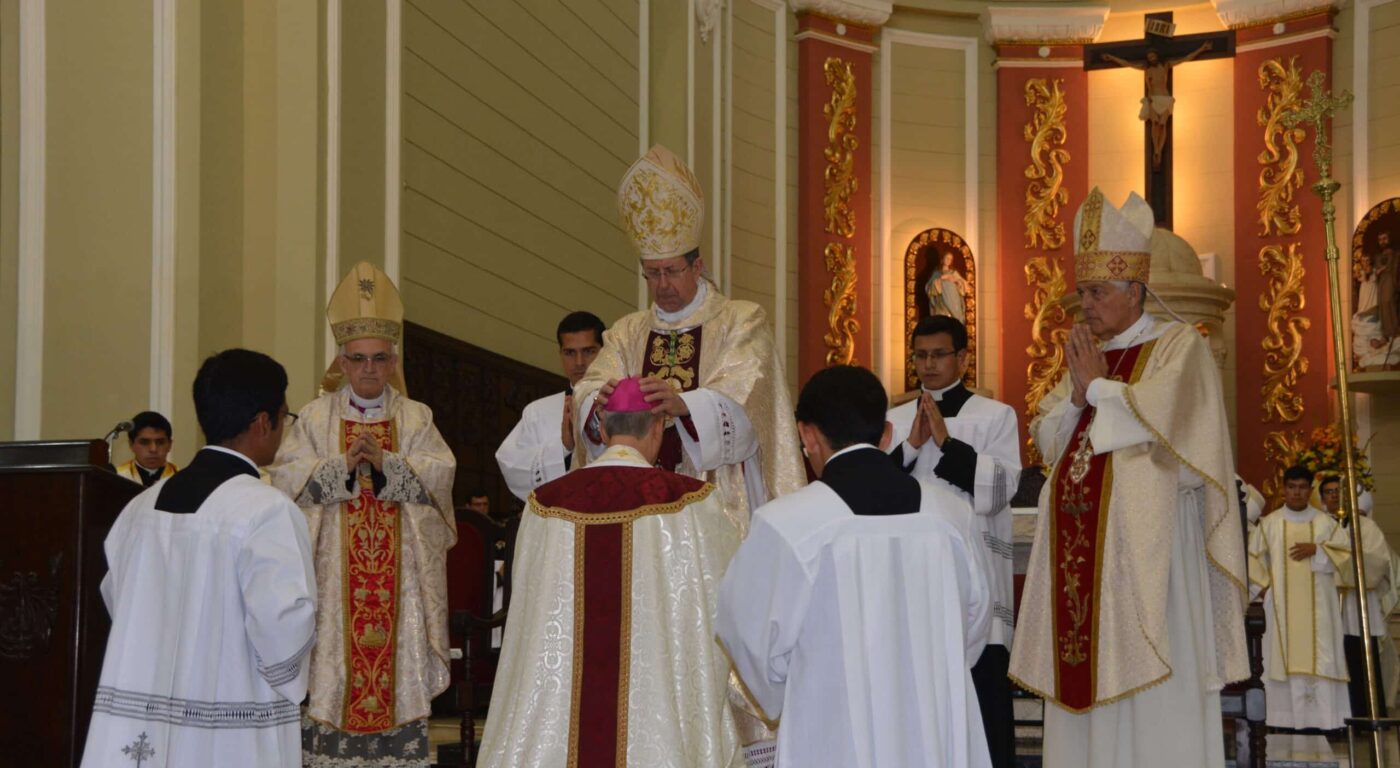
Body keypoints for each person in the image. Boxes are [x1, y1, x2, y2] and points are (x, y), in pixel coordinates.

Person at [573, 144, 805, 750]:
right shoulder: (628, 331)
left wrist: (685, 403)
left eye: (673, 271)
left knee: (716, 639)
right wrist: (603, 406)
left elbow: (751, 404)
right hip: (643, 527)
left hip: (719, 513)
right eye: (652, 274)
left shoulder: (741, 320)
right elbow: (589, 393)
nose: (663, 286)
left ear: (699, 264)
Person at [1009, 188, 1248, 768]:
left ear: (1134, 291)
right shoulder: (1088, 353)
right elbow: (1049, 439)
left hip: (1155, 562)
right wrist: (1074, 396)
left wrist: (1095, 389)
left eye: (1096, 292)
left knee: (1154, 709)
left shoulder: (1177, 348)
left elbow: (1171, 431)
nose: (1084, 305)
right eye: (1082, 292)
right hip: (1084, 560)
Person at [717, 365, 991, 768]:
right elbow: (975, 625)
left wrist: (783, 691)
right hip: (937, 727)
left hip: (833, 730)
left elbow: (748, 633)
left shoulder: (787, 522)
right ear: (885, 434)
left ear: (806, 434)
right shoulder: (950, 516)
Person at [479, 377, 742, 767]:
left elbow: (528, 613)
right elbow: (724, 604)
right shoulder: (691, 502)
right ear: (657, 427)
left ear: (602, 428)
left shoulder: (544, 503)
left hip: (559, 712)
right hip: (657, 720)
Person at [81, 349, 316, 768]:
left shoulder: (139, 508)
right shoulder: (267, 510)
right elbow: (282, 625)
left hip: (142, 712)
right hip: (231, 725)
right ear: (263, 422)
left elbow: (116, 597)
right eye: (286, 416)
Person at [269, 261, 457, 767]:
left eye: (378, 359)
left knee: (396, 685)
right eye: (358, 359)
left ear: (393, 360)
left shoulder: (416, 418)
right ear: (342, 360)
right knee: (335, 683)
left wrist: (389, 465)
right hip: (336, 589)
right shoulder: (314, 417)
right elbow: (285, 479)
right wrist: (340, 469)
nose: (369, 369)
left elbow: (442, 477)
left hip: (401, 589)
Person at [886, 314, 1020, 768]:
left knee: (984, 704)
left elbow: (1001, 488)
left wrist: (945, 443)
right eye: (920, 355)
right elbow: (875, 487)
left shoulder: (996, 416)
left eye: (938, 354)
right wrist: (908, 447)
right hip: (913, 582)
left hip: (975, 577)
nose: (928, 365)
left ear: (962, 357)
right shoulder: (895, 417)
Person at [1249, 466, 1351, 759]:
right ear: (1283, 489)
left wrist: (1317, 550)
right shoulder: (1269, 523)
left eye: (1303, 487)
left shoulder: (1325, 525)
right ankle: (1284, 721)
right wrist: (1264, 587)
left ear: (1310, 490)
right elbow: (1252, 559)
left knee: (1320, 656)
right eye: (1292, 486)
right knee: (1280, 657)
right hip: (1280, 609)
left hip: (1320, 611)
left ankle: (1323, 723)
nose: (1297, 492)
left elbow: (1344, 558)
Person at [496, 311, 605, 502]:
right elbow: (511, 466)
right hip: (558, 523)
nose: (579, 363)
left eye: (588, 351)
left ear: (605, 351)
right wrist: (563, 448)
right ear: (560, 354)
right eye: (570, 353)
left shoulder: (625, 406)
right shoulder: (538, 412)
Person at [1320, 475, 1393, 720]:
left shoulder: (1366, 527)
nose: (1334, 496)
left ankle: (1366, 716)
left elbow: (1377, 561)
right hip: (1327, 603)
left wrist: (1341, 566)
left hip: (1358, 603)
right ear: (1322, 499)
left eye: (1338, 492)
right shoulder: (1320, 526)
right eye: (1329, 492)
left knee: (1362, 662)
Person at [1101, 42, 1211, 168]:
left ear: (1157, 56)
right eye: (1149, 57)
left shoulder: (1166, 66)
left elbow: (1185, 58)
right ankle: (1156, 150)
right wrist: (1112, 57)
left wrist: (1202, 49)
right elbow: (1128, 64)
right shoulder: (1147, 69)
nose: (1151, 58)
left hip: (1165, 99)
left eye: (1153, 56)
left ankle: (1159, 149)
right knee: (1155, 123)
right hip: (1153, 99)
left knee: (1163, 124)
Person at [115, 411, 179, 487]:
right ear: (131, 444)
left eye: (160, 442)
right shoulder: (117, 477)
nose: (153, 449)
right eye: (144, 442)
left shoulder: (182, 479)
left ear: (170, 445)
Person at [925, 251, 969, 323]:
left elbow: (964, 284)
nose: (948, 260)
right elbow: (928, 288)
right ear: (942, 259)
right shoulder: (937, 273)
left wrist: (956, 281)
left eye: (950, 259)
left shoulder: (953, 272)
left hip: (954, 299)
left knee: (954, 320)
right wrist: (942, 278)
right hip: (942, 301)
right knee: (943, 319)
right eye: (947, 258)